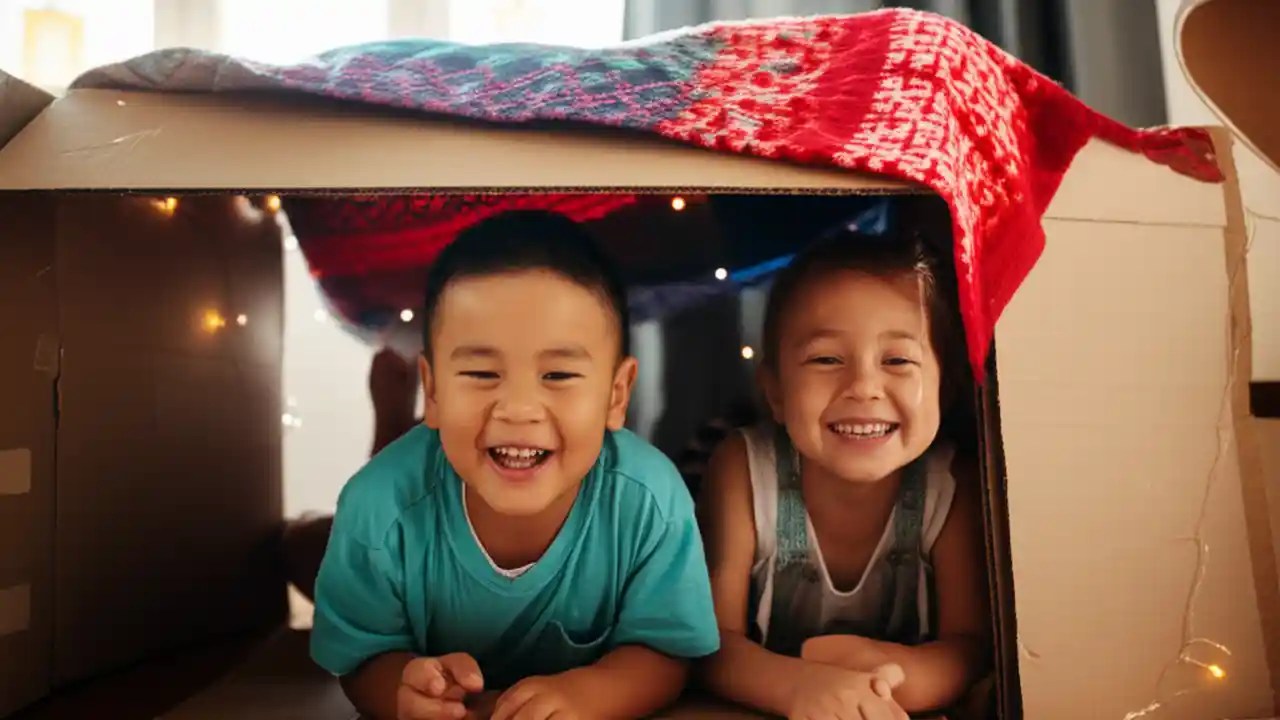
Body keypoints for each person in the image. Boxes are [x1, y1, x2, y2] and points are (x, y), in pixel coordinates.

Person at [309, 210, 720, 720]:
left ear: (617, 395)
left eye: (559, 374)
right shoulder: (379, 502)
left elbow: (667, 650)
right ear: (432, 391)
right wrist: (404, 692)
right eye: (482, 373)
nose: (519, 408)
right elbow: (361, 655)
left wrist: (591, 695)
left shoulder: (649, 500)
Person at [698, 222, 991, 719]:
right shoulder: (744, 472)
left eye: (897, 359)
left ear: (948, 386)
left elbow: (971, 644)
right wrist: (800, 687)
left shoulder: (952, 485)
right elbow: (707, 646)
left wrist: (895, 676)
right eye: (826, 358)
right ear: (774, 390)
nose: (863, 386)